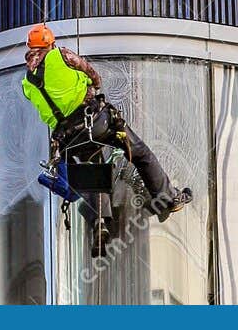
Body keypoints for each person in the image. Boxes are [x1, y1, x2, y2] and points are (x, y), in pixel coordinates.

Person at [21, 23, 190, 220]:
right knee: (140, 153)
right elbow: (88, 71)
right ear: (51, 44)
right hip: (95, 120)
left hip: (69, 139)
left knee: (93, 169)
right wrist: (95, 84)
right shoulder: (60, 55)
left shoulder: (27, 83)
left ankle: (100, 221)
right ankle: (168, 198)